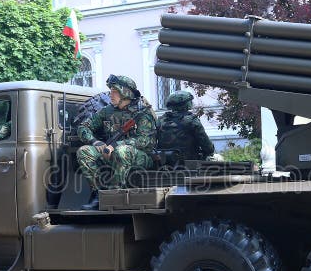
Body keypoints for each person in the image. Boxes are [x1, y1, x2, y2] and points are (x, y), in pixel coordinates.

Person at [76, 75, 157, 210]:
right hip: (111, 152)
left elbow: (146, 140)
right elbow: (83, 127)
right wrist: (95, 142)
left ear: (125, 93)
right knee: (84, 151)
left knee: (122, 151)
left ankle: (114, 195)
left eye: (114, 92)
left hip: (141, 157)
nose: (110, 95)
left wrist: (115, 146)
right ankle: (99, 194)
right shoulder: (107, 111)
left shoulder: (142, 112)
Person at [157, 90, 214, 162]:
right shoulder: (192, 121)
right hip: (189, 163)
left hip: (165, 163)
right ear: (186, 104)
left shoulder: (161, 120)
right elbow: (208, 147)